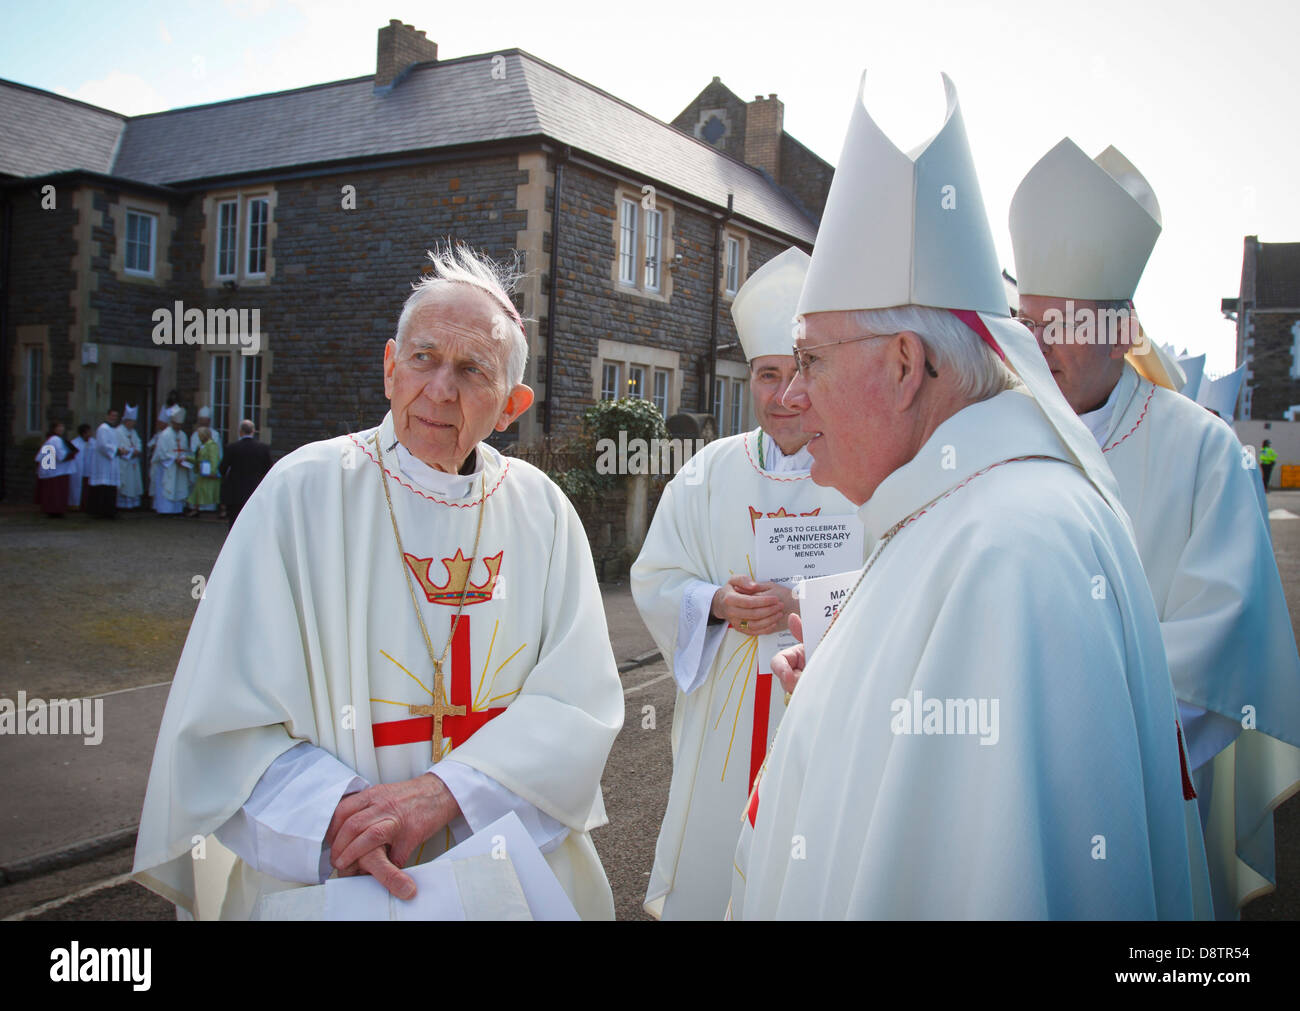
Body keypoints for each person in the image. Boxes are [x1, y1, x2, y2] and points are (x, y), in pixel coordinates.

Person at [730, 73, 1206, 919]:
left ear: (906, 365)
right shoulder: (956, 505)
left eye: (811, 360)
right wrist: (847, 690)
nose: (791, 399)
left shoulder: (1013, 551)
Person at [133, 243, 624, 920]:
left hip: (502, 877)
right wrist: (340, 818)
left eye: (472, 369)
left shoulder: (542, 514)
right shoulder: (302, 493)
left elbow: (579, 704)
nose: (440, 389)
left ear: (510, 405)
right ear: (391, 368)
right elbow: (224, 716)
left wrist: (444, 793)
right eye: (423, 358)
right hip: (334, 878)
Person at [1009, 138, 1300, 919]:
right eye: (1025, 321)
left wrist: (1066, 704)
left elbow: (1223, 637)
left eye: (1059, 324)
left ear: (1123, 326)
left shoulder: (1203, 451)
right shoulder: (996, 434)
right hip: (1010, 774)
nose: (1035, 345)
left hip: (1141, 783)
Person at [631, 247, 859, 919]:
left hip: (822, 710)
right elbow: (655, 580)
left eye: (801, 372)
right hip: (723, 729)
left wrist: (803, 605)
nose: (785, 394)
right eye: (766, 375)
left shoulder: (865, 468)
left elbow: (900, 587)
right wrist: (716, 603)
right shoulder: (706, 473)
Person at [219, 419, 272, 528]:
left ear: (240, 431)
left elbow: (222, 469)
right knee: (252, 521)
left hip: (235, 490)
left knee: (234, 521)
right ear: (253, 431)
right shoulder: (263, 448)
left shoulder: (232, 447)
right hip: (254, 489)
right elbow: (269, 470)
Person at [86, 408, 127, 519]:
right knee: (103, 487)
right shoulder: (103, 429)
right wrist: (117, 450)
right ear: (107, 416)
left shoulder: (112, 429)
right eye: (112, 415)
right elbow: (103, 445)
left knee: (110, 487)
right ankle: (101, 512)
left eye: (115, 416)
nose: (114, 418)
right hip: (103, 463)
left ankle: (109, 511)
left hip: (111, 461)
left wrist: (119, 449)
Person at [152, 407, 192, 515]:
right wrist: (174, 458)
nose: (178, 426)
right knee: (167, 487)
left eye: (180, 424)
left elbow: (185, 449)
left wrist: (183, 457)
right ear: (172, 422)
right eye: (176, 424)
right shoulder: (165, 435)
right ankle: (165, 510)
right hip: (167, 466)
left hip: (179, 466)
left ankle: (177, 509)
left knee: (179, 486)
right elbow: (161, 452)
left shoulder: (182, 435)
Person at [34, 421, 77, 518]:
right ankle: (55, 510)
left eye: (62, 426)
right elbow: (61, 456)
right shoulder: (55, 439)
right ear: (54, 429)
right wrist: (72, 454)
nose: (61, 429)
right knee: (56, 491)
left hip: (52, 469)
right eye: (59, 427)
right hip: (56, 470)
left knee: (53, 491)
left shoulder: (55, 439)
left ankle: (53, 510)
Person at [184, 426, 221, 517]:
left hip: (210, 473)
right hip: (203, 472)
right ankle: (196, 509)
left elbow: (214, 459)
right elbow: (198, 459)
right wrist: (187, 458)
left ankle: (222, 510)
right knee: (198, 491)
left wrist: (212, 471)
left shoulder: (212, 445)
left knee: (216, 492)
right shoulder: (202, 445)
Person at [116, 404, 145, 510]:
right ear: (126, 421)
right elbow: (117, 445)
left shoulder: (133, 432)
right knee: (126, 483)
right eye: (132, 421)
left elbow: (138, 443)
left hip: (133, 461)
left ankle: (132, 504)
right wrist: (128, 451)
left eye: (134, 422)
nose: (134, 424)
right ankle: (122, 505)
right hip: (124, 461)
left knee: (133, 483)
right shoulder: (118, 431)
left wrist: (137, 450)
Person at [69, 423, 93, 510]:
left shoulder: (93, 442)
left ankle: (86, 504)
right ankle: (75, 504)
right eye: (88, 432)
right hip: (78, 469)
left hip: (89, 469)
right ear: (83, 433)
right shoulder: (75, 443)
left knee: (87, 488)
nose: (90, 434)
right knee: (77, 487)